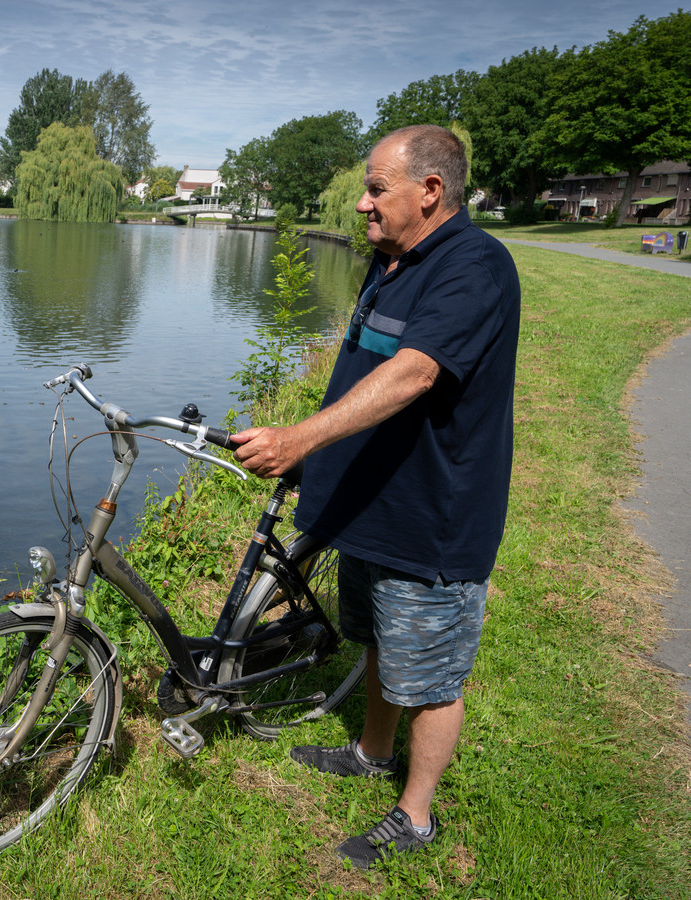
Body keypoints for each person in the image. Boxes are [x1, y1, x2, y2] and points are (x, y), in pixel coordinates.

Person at [230, 124, 520, 868]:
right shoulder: (390, 261)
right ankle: (370, 750)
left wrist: (296, 438)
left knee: (428, 678)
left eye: (375, 188)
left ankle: (415, 817)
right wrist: (318, 461)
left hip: (433, 516)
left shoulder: (473, 267)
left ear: (429, 192)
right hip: (369, 500)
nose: (361, 203)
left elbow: (416, 374)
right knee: (378, 644)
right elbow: (361, 373)